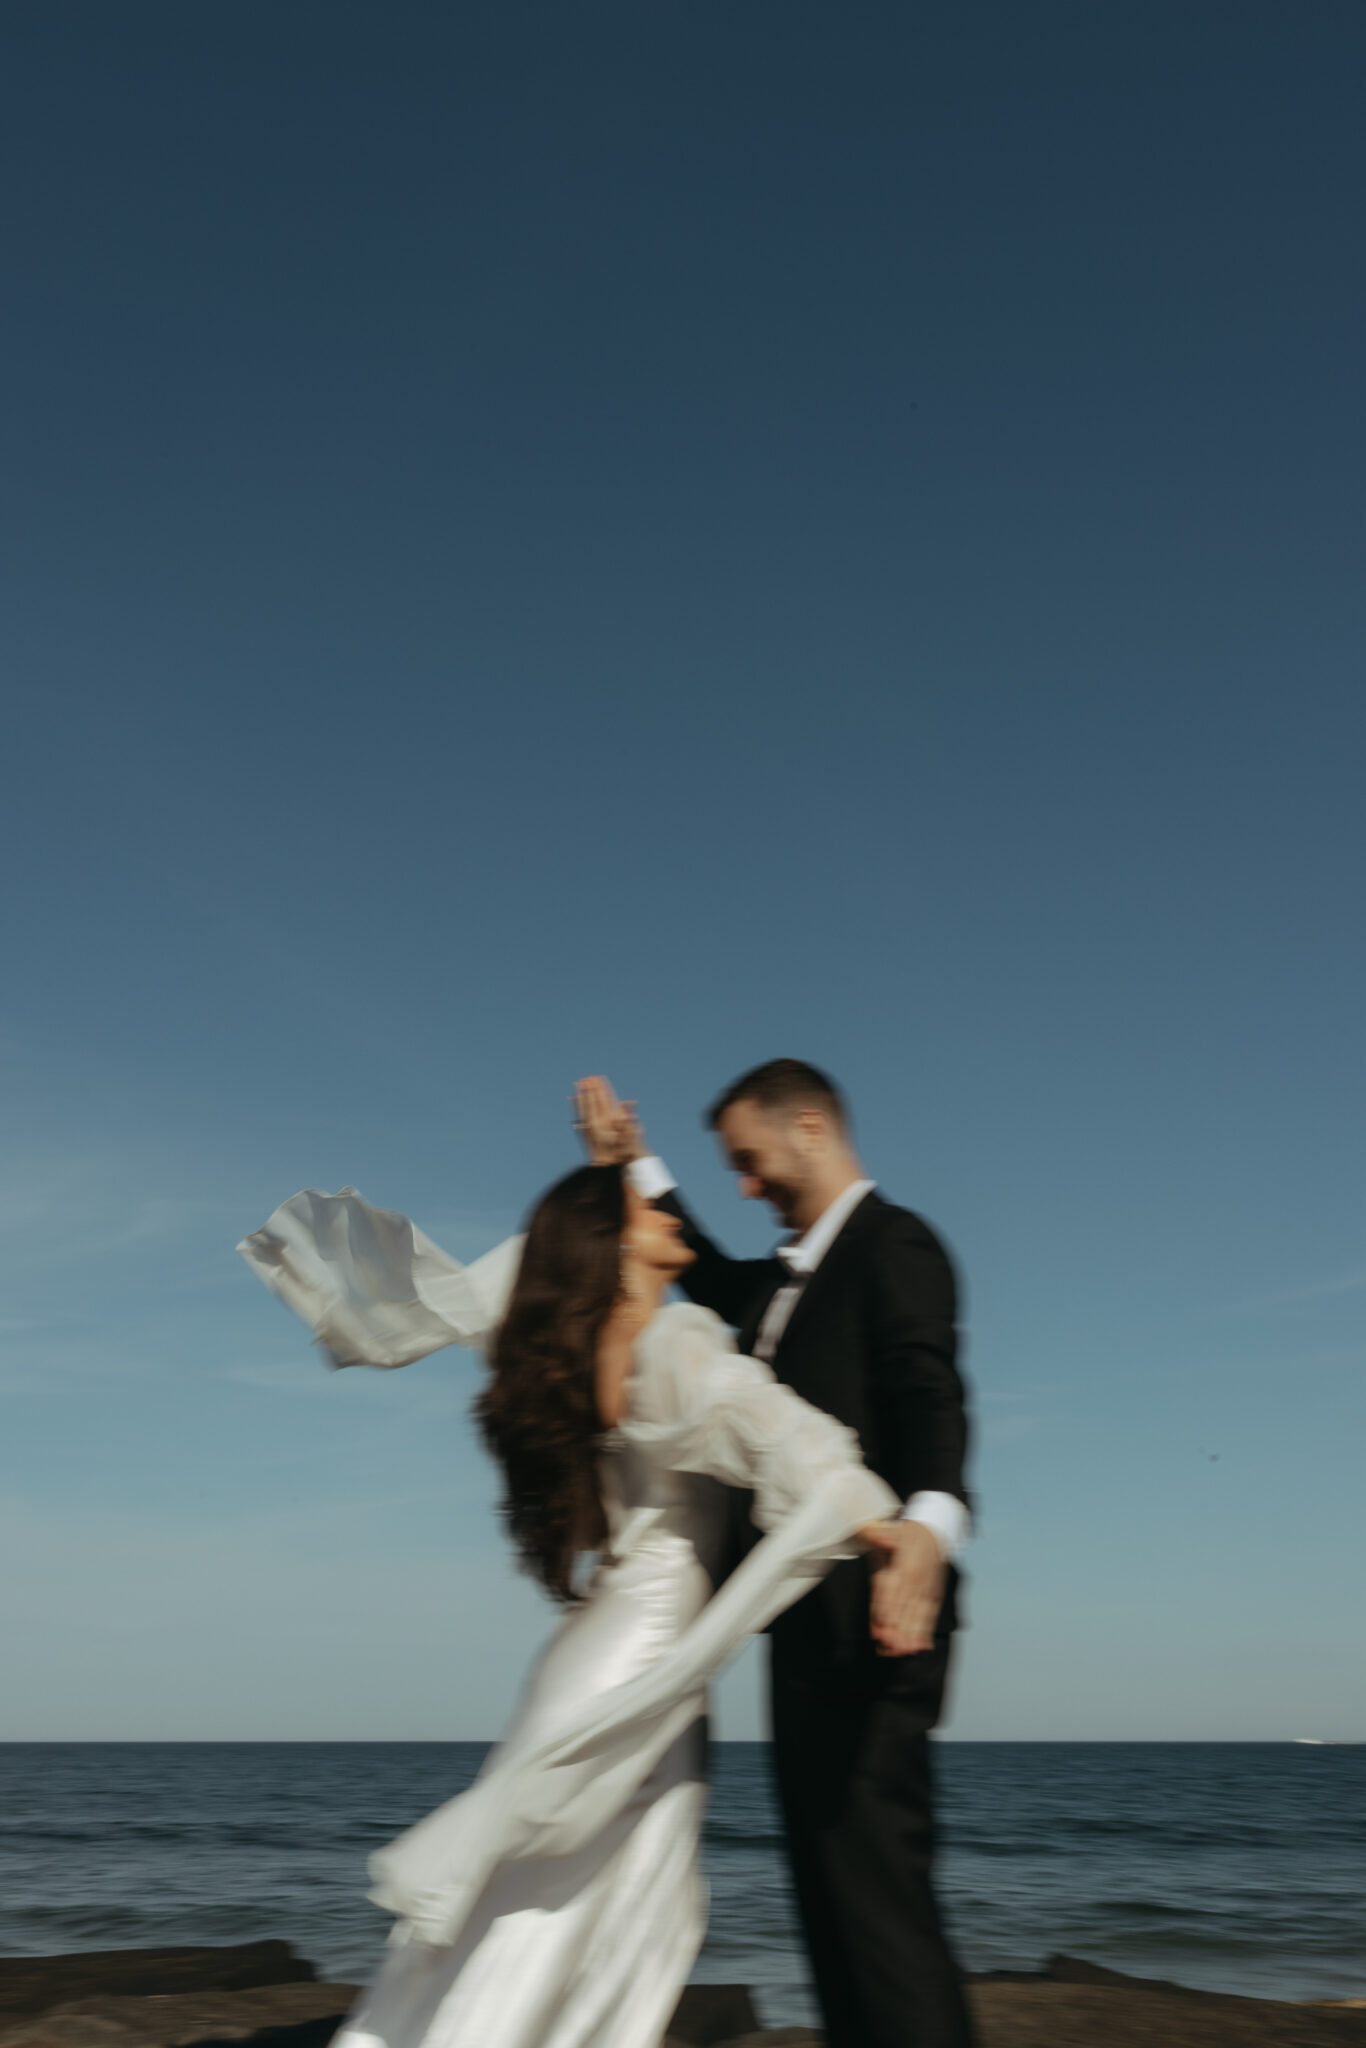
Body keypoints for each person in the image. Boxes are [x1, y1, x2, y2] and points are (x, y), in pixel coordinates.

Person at [238, 1159, 932, 2048]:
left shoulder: (570, 1354)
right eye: (648, 1209)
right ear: (613, 1242)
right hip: (641, 1656)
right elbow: (778, 1435)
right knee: (584, 1911)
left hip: (592, 1649)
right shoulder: (673, 1342)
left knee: (527, 1899)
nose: (673, 1214)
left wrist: (622, 1159)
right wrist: (886, 1527)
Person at [576, 1062, 976, 2048]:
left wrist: (931, 1523)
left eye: (750, 1164)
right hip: (800, 1626)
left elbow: (929, 1392)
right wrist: (636, 1165)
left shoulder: (895, 1244)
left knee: (878, 1902)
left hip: (882, 1607)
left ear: (810, 1127)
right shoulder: (776, 1285)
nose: (744, 1187)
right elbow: (701, 1265)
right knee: (829, 1899)